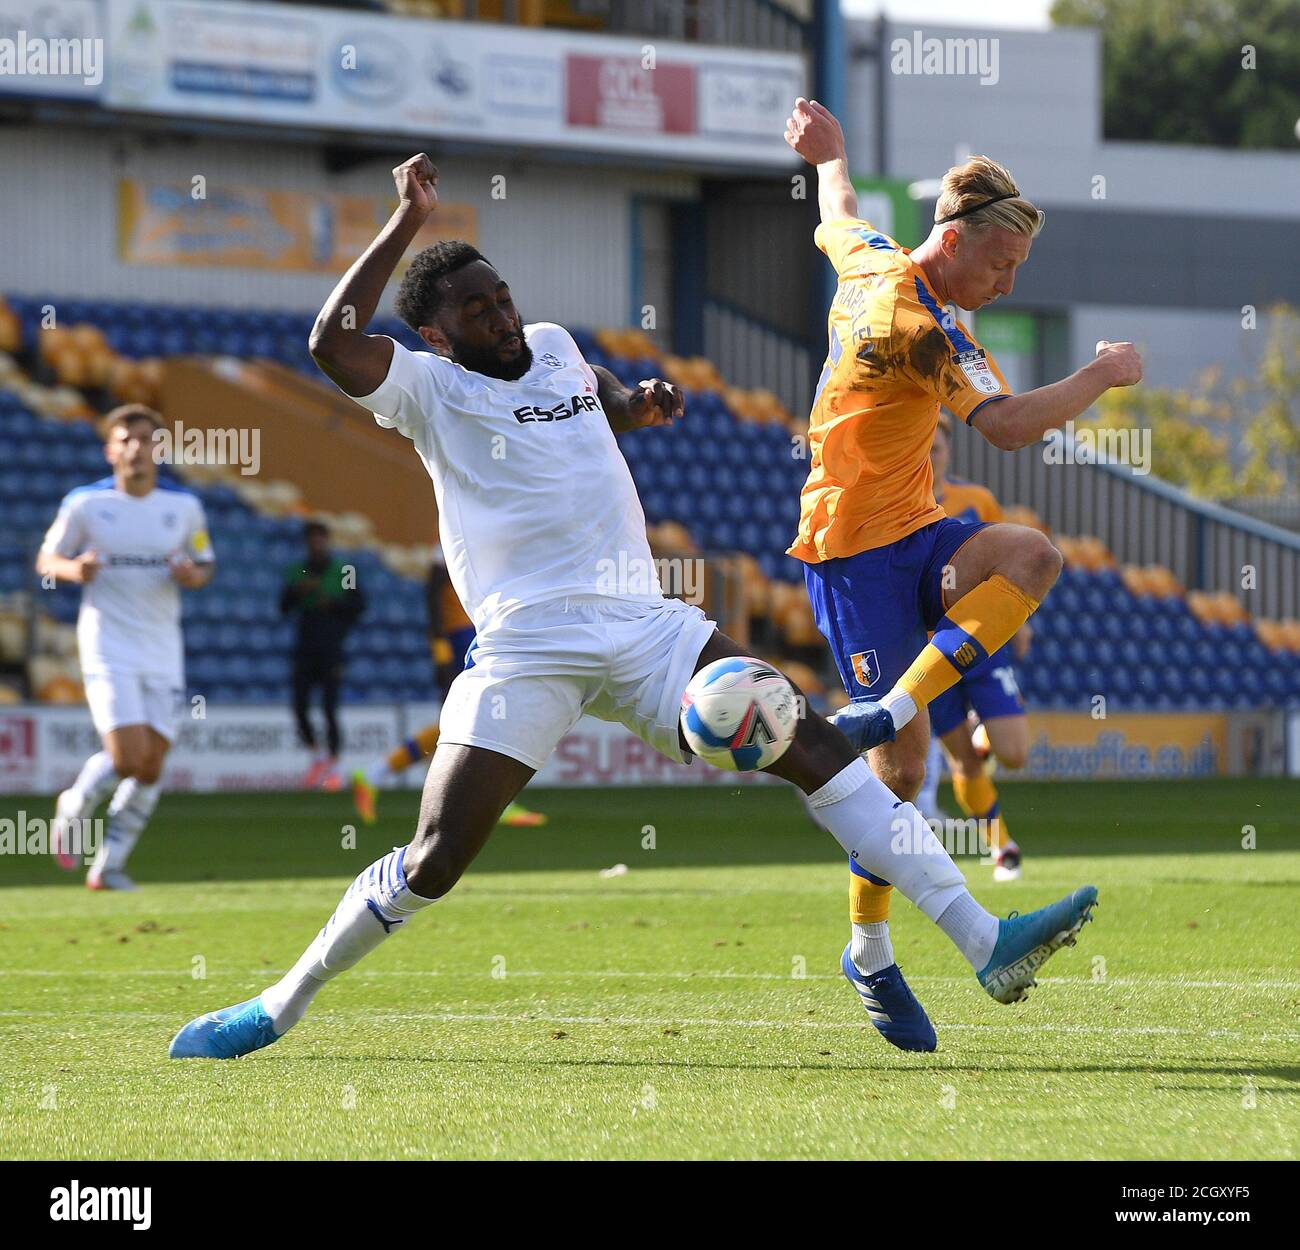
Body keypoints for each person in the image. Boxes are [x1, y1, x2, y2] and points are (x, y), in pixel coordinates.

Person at [169, 153, 1098, 1062]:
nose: (503, 315)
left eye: (502, 296)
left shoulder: (559, 348)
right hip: (528, 644)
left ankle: (986, 944)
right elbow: (330, 343)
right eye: (478, 310)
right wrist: (407, 222)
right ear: (440, 335)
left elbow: (596, 403)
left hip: (647, 621)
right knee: (435, 860)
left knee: (817, 746)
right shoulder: (425, 388)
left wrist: (638, 406)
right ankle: (277, 1007)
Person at [783, 98, 1140, 1049]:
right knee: (895, 788)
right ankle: (866, 953)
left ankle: (897, 708)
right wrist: (1102, 374)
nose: (1009, 282)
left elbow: (835, 205)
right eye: (1001, 263)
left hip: (921, 528)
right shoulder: (928, 331)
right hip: (848, 552)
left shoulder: (869, 256)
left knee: (1031, 554)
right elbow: (1014, 428)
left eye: (1019, 267)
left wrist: (831, 152)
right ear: (952, 238)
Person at [38, 404, 216, 890]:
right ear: (110, 449)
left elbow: (204, 565)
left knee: (152, 766)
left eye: (146, 438)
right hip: (107, 644)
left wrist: (190, 575)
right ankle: (74, 803)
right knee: (125, 759)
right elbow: (47, 559)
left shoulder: (183, 509)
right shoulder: (85, 505)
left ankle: (109, 866)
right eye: (127, 438)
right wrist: (77, 570)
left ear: (160, 448)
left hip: (162, 648)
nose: (137, 447)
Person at [351, 548, 546, 828]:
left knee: (470, 721)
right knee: (473, 719)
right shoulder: (448, 540)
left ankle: (376, 775)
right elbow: (432, 594)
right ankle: (377, 774)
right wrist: (440, 648)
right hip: (461, 638)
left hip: (478, 633)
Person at [926, 411, 1030, 881]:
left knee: (1013, 752)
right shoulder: (895, 511)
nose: (929, 456)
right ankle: (1002, 848)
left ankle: (982, 729)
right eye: (922, 448)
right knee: (961, 759)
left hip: (984, 638)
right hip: (928, 651)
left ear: (948, 452)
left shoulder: (976, 501)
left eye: (937, 448)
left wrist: (1020, 620)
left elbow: (1007, 564)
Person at [280, 520, 365, 791]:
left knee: (329, 708)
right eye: (311, 540)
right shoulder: (298, 570)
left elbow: (358, 605)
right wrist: (297, 592)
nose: (316, 544)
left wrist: (333, 604)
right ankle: (318, 756)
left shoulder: (343, 570)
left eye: (320, 539)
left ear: (327, 541)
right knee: (299, 706)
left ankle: (334, 766)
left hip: (332, 648)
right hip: (305, 647)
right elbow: (282, 606)